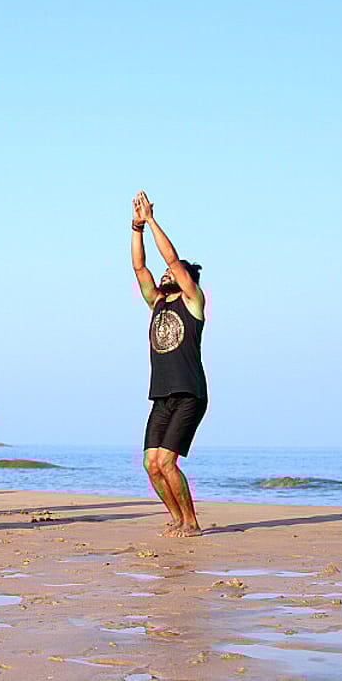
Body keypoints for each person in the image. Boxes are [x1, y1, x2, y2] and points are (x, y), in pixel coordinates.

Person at [131, 190, 208, 538]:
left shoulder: (193, 302)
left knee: (167, 462)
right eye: (164, 274)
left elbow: (173, 260)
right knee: (150, 464)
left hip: (189, 393)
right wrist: (136, 228)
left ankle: (191, 522)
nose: (164, 275)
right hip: (161, 394)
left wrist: (152, 220)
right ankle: (177, 518)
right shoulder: (157, 304)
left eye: (170, 273)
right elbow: (139, 267)